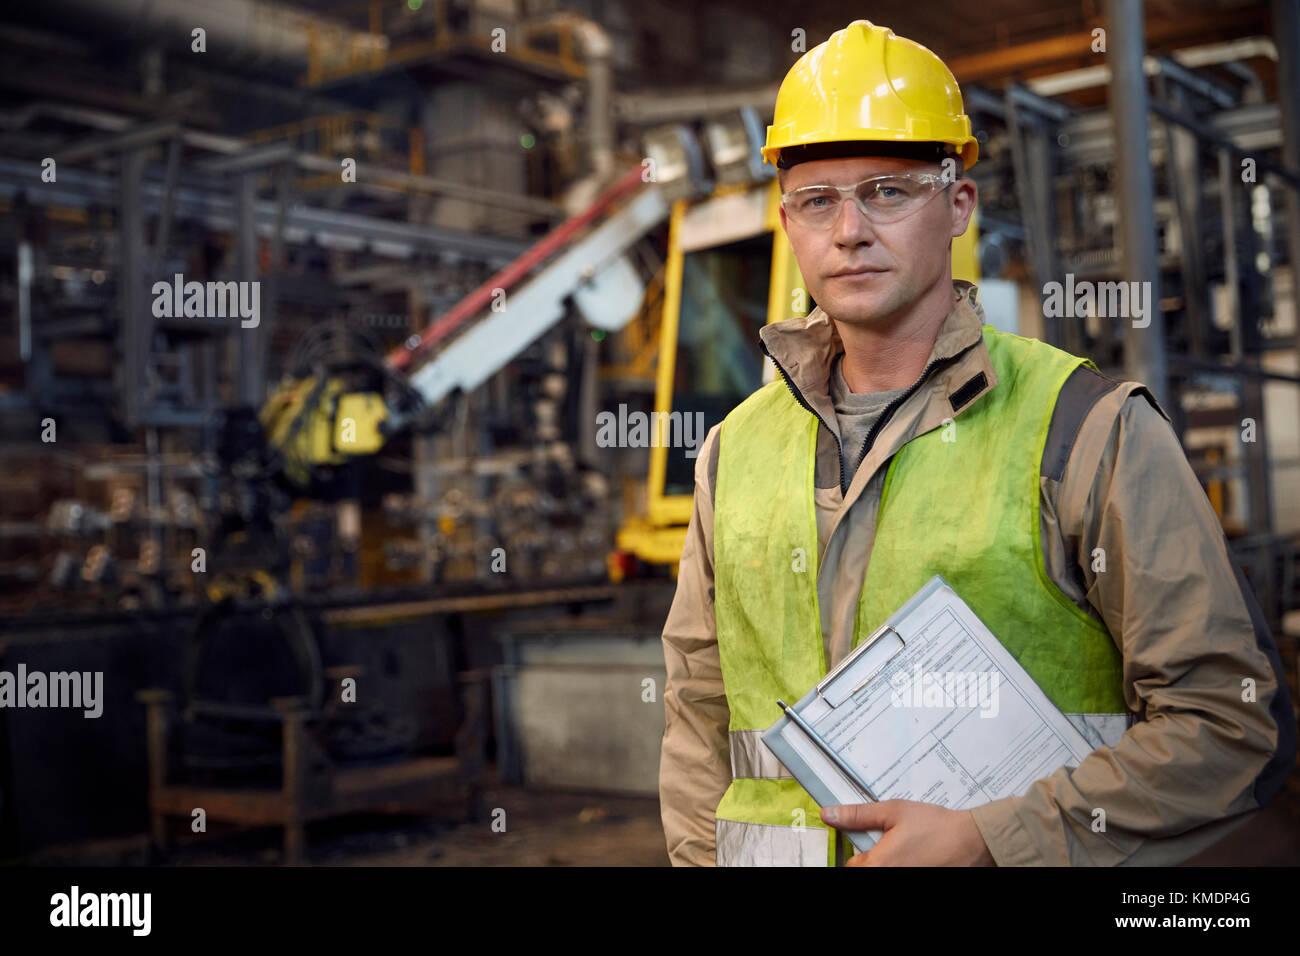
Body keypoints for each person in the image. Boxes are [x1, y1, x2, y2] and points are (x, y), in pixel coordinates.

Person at [658, 18, 1295, 867]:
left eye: (888, 191)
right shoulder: (734, 450)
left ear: (959, 204)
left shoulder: (1086, 427)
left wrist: (994, 840)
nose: (848, 230)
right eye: (818, 200)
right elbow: (700, 717)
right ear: (788, 222)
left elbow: (1230, 725)